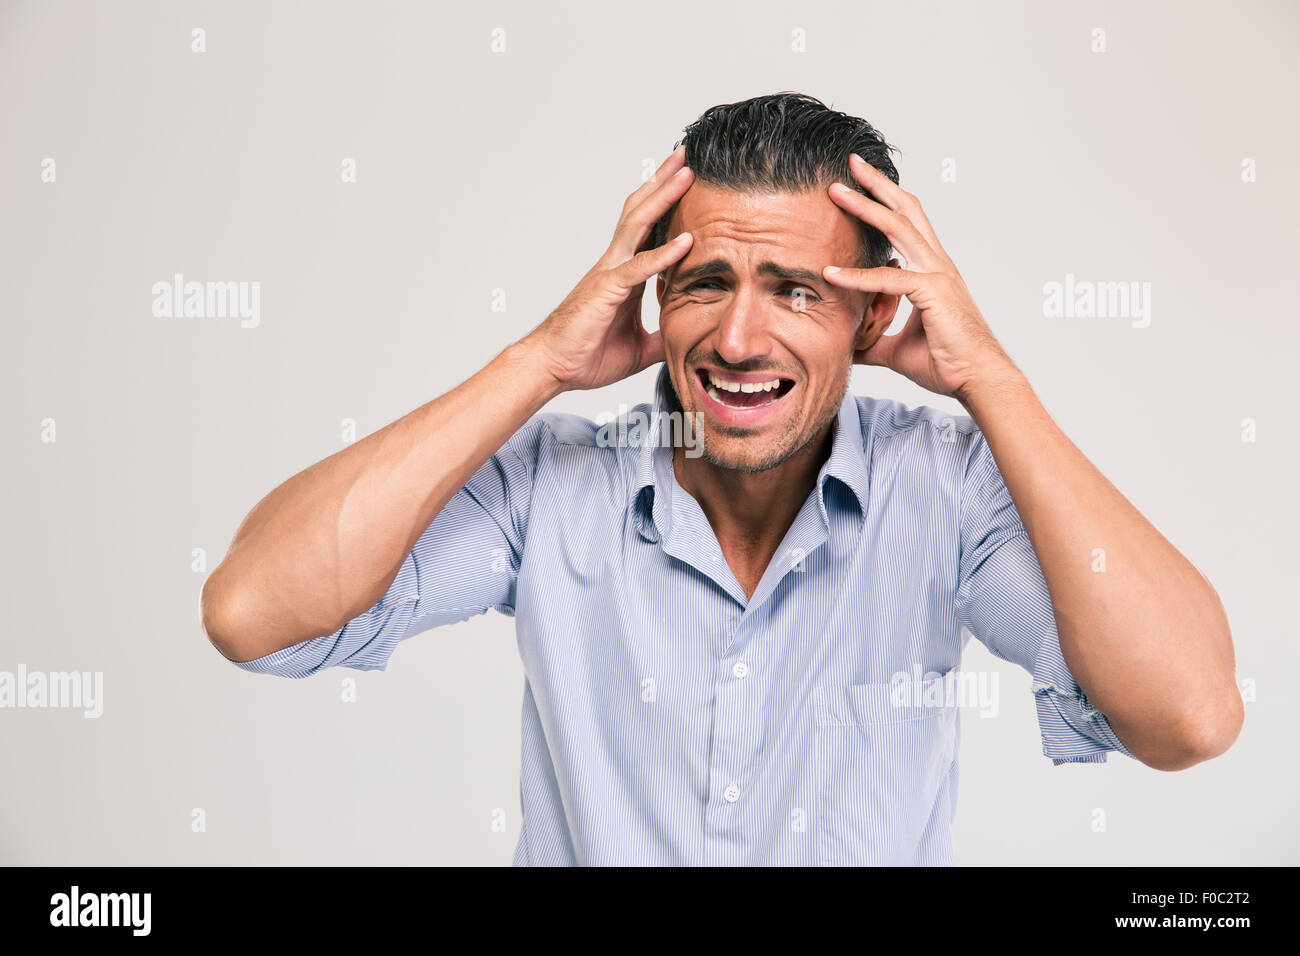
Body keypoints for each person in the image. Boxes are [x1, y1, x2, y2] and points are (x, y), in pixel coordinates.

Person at [201, 92, 1242, 866]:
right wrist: (539, 362)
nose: (740, 338)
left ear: (871, 316)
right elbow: (254, 609)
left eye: (795, 290)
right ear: (654, 302)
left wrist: (991, 379)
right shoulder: (554, 487)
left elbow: (1188, 714)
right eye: (706, 282)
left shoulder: (944, 490)